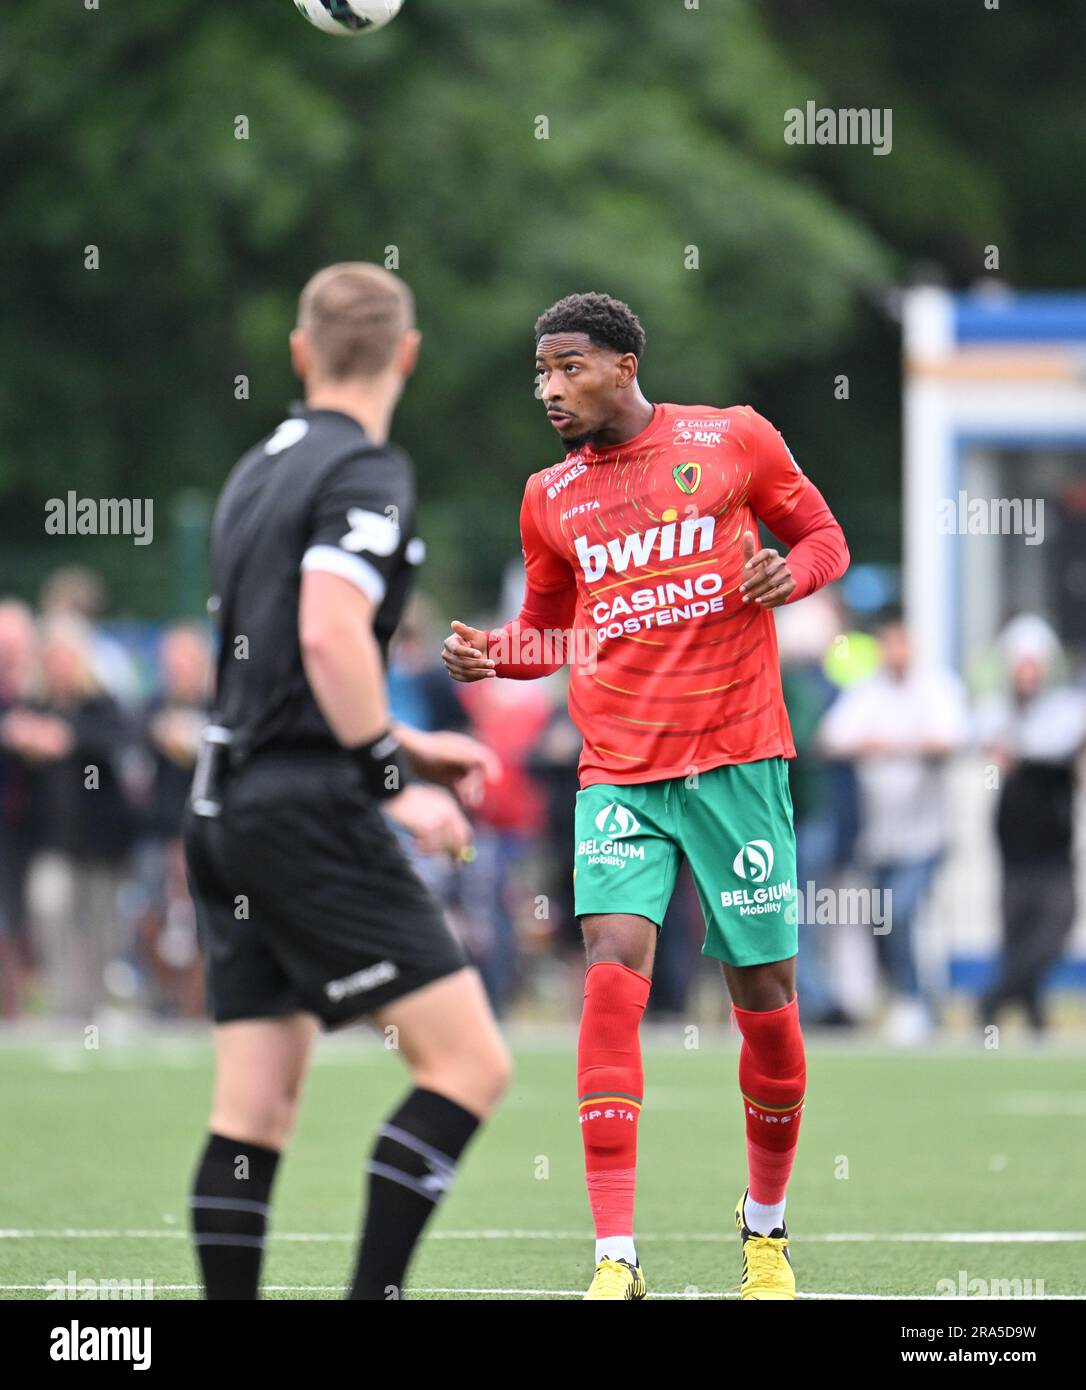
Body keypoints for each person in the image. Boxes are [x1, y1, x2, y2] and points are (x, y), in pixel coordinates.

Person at [443, 292, 849, 1300]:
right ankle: (615, 1256)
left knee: (763, 999)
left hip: (739, 763)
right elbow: (548, 633)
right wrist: (493, 656)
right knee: (611, 965)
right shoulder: (549, 498)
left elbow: (825, 542)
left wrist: (784, 580)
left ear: (625, 365)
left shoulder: (733, 440)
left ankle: (764, 1234)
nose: (550, 388)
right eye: (540, 372)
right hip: (619, 771)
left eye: (569, 366)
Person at [183, 262, 510, 1302]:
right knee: (468, 1066)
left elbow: (276, 660)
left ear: (299, 352)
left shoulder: (255, 469)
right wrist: (385, 773)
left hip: (225, 799)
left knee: (254, 1110)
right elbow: (327, 631)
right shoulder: (367, 469)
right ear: (407, 355)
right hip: (303, 811)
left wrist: (406, 742)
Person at [818, 614, 968, 1044]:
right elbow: (832, 739)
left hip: (926, 835)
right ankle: (916, 1001)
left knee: (902, 911)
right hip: (880, 838)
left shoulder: (937, 687)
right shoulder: (868, 691)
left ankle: (915, 1001)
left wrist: (891, 746)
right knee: (883, 923)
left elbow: (948, 739)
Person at [976, 615, 1086, 1033]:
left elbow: (1053, 743)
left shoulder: (1063, 709)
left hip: (1054, 844)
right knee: (1017, 929)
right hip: (1014, 841)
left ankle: (997, 997)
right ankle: (1032, 1011)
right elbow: (990, 739)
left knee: (1056, 926)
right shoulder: (998, 710)